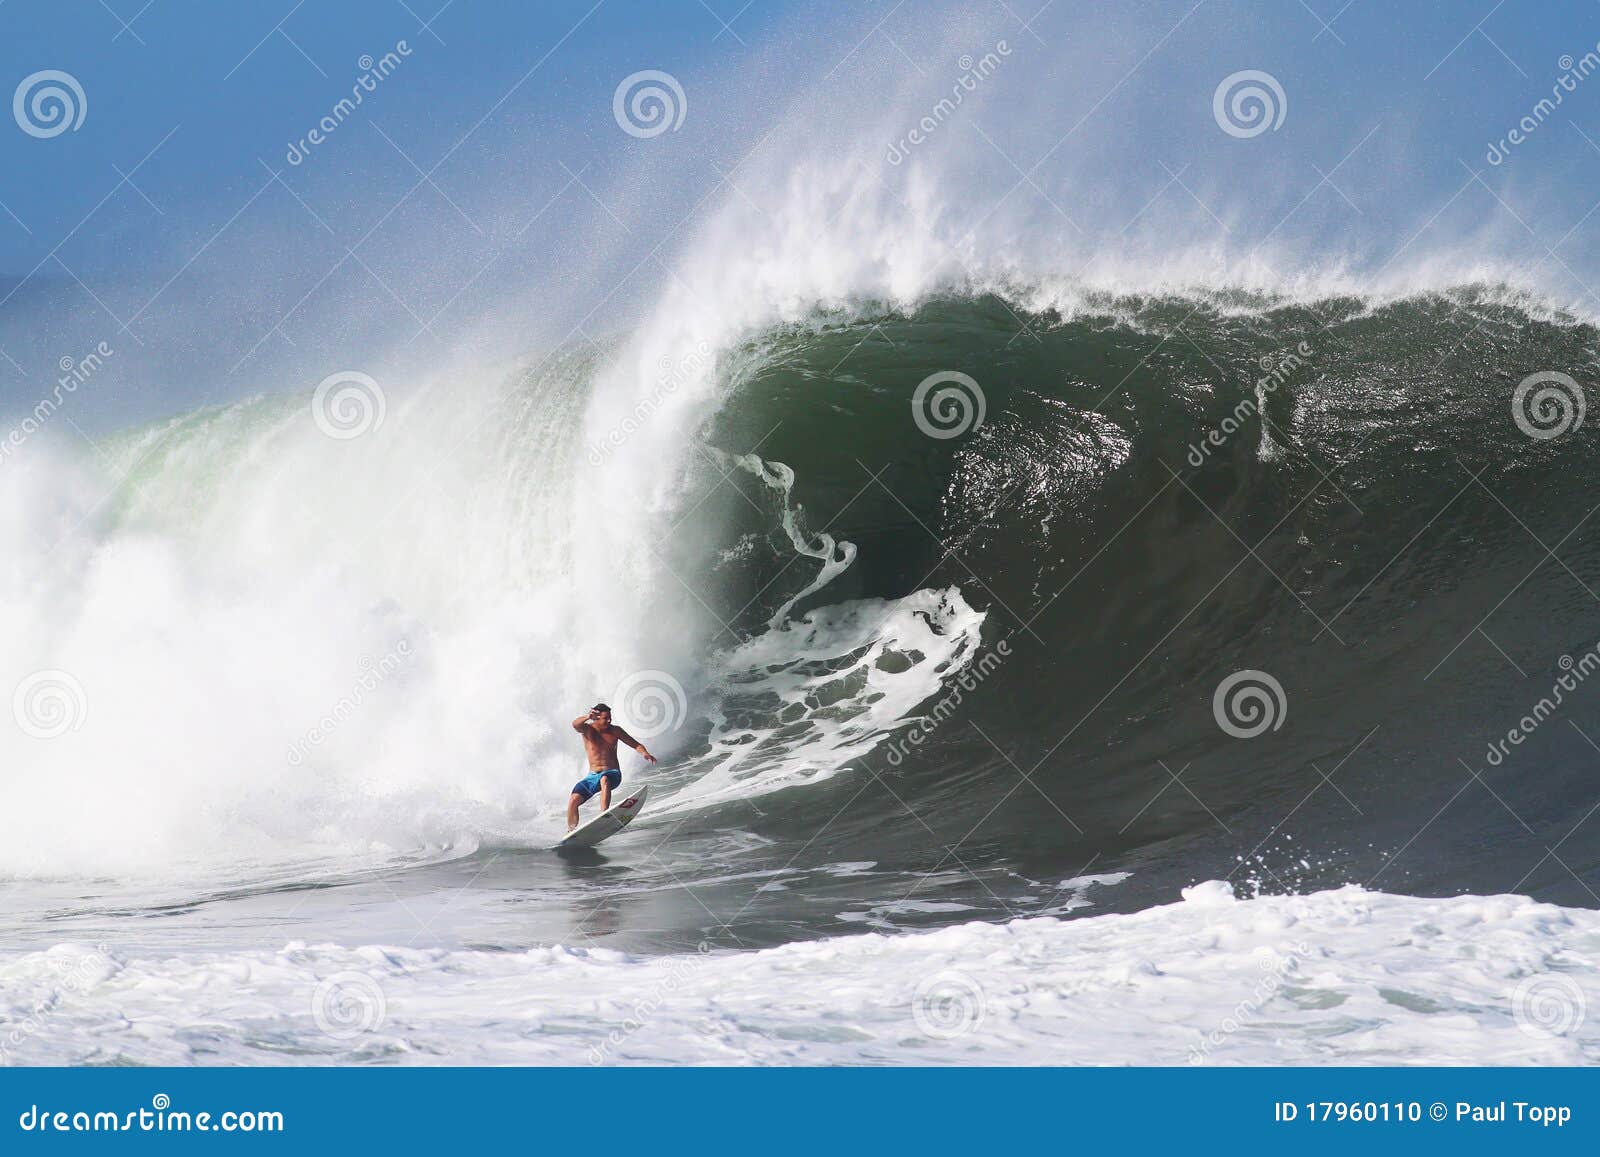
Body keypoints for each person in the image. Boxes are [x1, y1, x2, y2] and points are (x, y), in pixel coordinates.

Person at [568, 702, 656, 830]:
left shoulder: (615, 731)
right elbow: (575, 724)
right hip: (592, 776)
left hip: (612, 773)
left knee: (605, 779)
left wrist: (645, 753)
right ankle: (571, 830)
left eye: (610, 717)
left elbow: (635, 744)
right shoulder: (587, 730)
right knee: (573, 800)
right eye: (606, 718)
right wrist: (587, 716)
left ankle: (604, 815)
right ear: (596, 717)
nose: (609, 720)